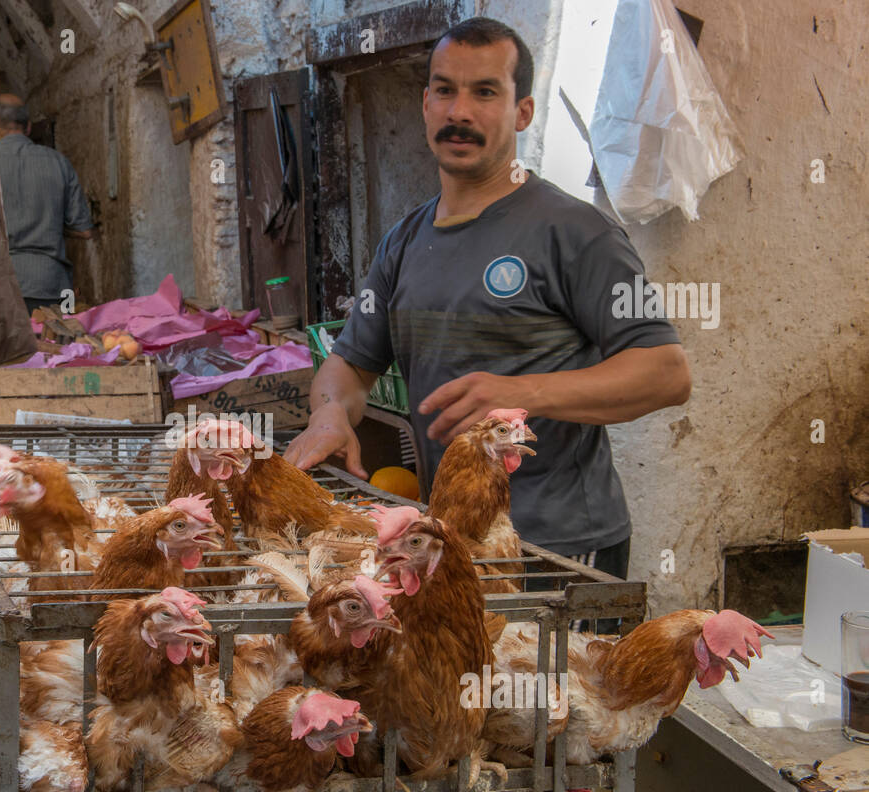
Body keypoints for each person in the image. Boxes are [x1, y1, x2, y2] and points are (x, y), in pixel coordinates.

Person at [284, 17, 691, 581]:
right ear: (426, 104)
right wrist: (330, 413)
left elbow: (666, 373)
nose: (460, 113)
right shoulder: (403, 241)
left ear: (522, 111)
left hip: (560, 549)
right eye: (446, 91)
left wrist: (519, 394)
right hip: (450, 538)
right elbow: (350, 365)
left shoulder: (577, 233)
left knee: (555, 674)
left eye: (485, 92)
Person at [0, 94, 94, 313]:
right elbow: (85, 231)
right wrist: (50, 224)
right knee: (62, 346)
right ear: (28, 127)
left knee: (6, 348)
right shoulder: (58, 162)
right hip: (54, 285)